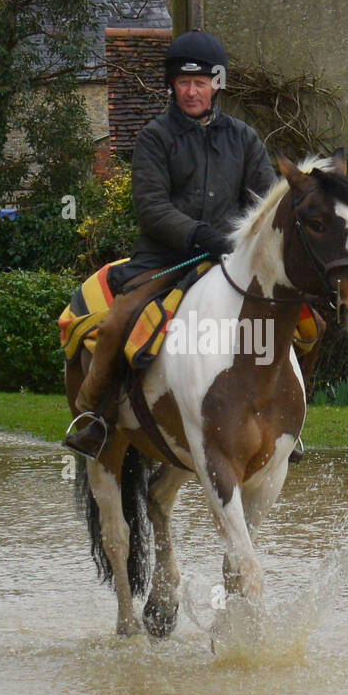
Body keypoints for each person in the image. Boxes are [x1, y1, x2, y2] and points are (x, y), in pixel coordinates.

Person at [64, 29, 276, 459]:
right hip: (164, 260)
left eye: (201, 82)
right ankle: (94, 417)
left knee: (308, 324)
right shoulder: (154, 138)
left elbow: (264, 202)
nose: (192, 91)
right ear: (171, 85)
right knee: (117, 323)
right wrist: (198, 234)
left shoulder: (245, 139)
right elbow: (151, 207)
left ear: (217, 84)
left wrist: (240, 243)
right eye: (183, 82)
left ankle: (284, 420)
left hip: (229, 262)